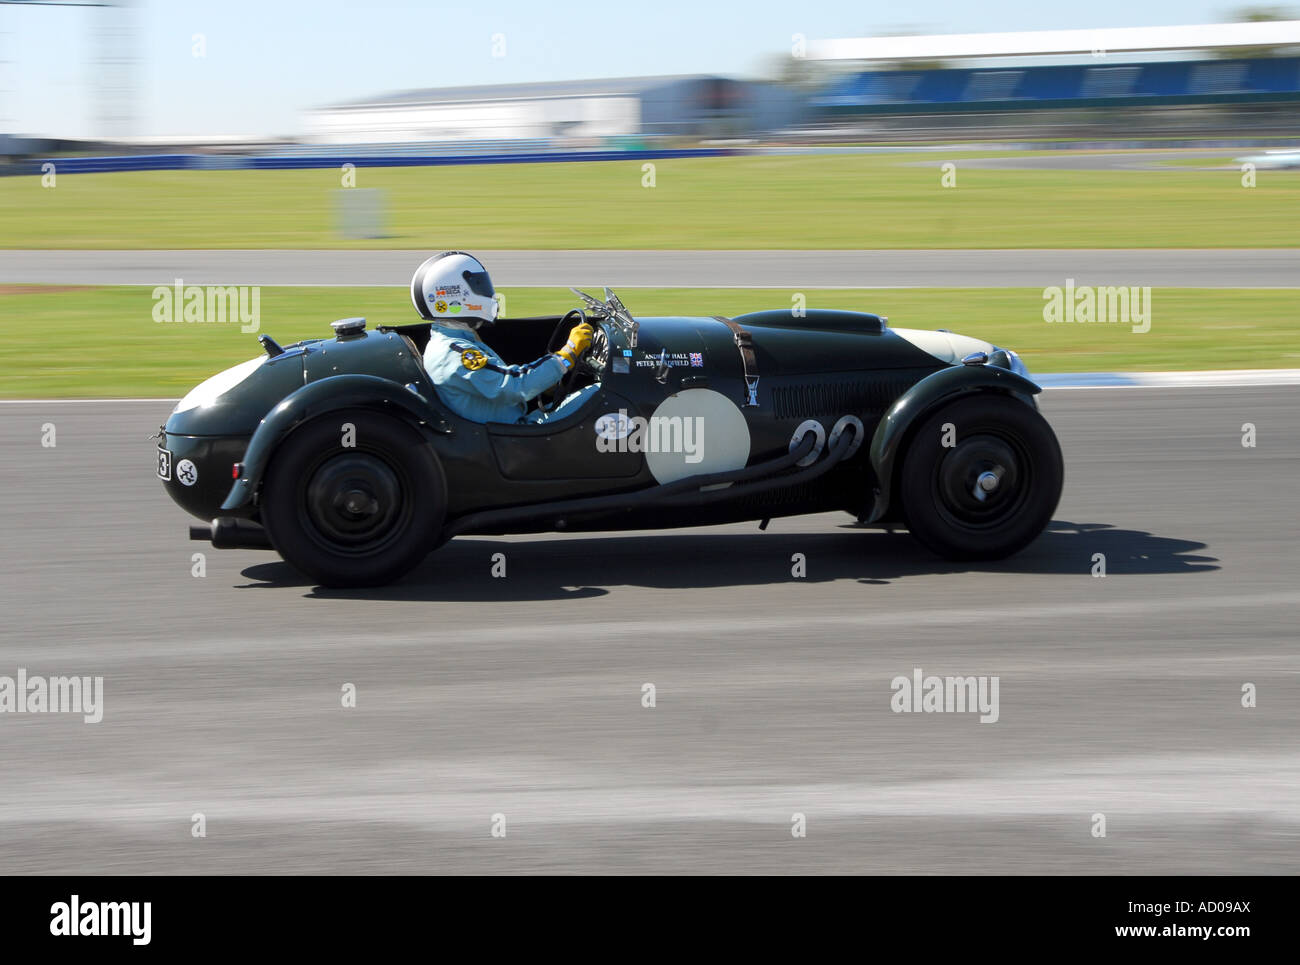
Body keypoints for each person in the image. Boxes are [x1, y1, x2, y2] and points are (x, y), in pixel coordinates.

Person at [411, 251, 597, 424]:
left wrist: (545, 382)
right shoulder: (455, 354)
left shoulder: (456, 342)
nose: (488, 294)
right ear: (456, 295)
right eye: (479, 287)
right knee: (599, 395)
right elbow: (513, 386)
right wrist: (567, 354)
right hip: (516, 434)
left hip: (509, 428)